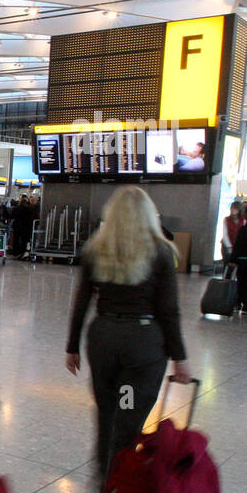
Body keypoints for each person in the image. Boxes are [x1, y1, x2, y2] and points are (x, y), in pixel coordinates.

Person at [64, 186, 191, 478]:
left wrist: (71, 346)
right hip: (142, 345)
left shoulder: (96, 249)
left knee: (106, 408)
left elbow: (82, 301)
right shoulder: (161, 251)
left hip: (103, 338)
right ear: (149, 215)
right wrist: (180, 357)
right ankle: (119, 475)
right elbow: (169, 311)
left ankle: (103, 469)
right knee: (129, 411)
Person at [221, 201, 244, 266]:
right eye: (232, 208)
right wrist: (229, 246)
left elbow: (243, 234)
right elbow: (225, 234)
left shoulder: (243, 220)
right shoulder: (226, 219)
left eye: (235, 209)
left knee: (236, 264)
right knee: (227, 262)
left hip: (238, 245)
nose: (233, 210)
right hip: (226, 245)